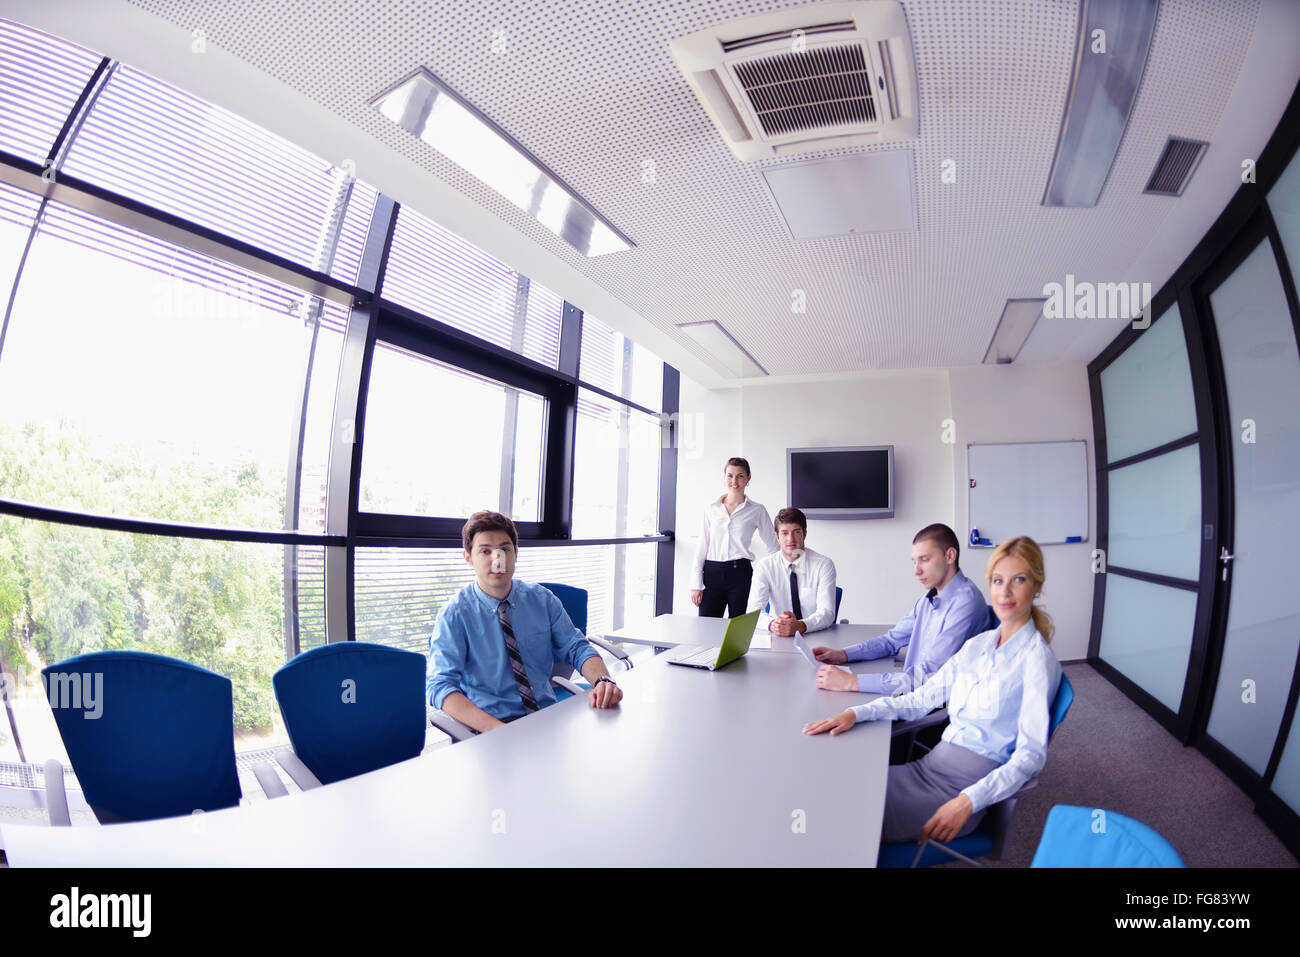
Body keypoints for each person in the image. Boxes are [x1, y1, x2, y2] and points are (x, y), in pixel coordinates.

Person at [803, 536, 1063, 846]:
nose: (1004, 592)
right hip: (927, 768)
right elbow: (922, 698)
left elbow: (1031, 756)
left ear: (1037, 586)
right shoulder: (979, 645)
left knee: (838, 822)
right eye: (997, 580)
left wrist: (967, 802)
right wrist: (855, 712)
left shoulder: (1036, 661)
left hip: (963, 790)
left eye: (1018, 580)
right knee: (826, 789)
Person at [427, 510, 623, 733]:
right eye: (485, 551)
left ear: (516, 553)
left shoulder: (542, 599)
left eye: (504, 549)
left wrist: (603, 680)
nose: (496, 559)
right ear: (468, 558)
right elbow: (439, 686)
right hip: (489, 731)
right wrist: (499, 730)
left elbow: (576, 647)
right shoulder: (454, 614)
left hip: (545, 720)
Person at [812, 524, 986, 695]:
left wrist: (851, 682)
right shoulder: (928, 600)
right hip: (911, 694)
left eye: (925, 560)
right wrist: (843, 655)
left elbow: (927, 676)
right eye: (915, 561)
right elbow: (890, 641)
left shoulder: (965, 603)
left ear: (950, 556)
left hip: (934, 707)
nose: (916, 571)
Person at [689, 457, 778, 618]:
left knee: (739, 629)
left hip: (741, 575)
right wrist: (696, 584)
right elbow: (702, 546)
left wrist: (779, 576)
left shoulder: (757, 510)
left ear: (748, 478)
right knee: (706, 628)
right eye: (730, 475)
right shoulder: (711, 509)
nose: (734, 481)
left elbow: (773, 546)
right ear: (724, 477)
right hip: (711, 574)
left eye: (740, 476)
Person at [747, 507, 837, 636]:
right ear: (777, 536)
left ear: (804, 534)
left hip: (813, 634)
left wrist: (800, 625)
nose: (791, 539)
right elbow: (752, 612)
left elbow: (827, 613)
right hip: (778, 636)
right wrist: (774, 625)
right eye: (784, 533)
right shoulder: (764, 566)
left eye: (796, 532)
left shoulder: (823, 565)